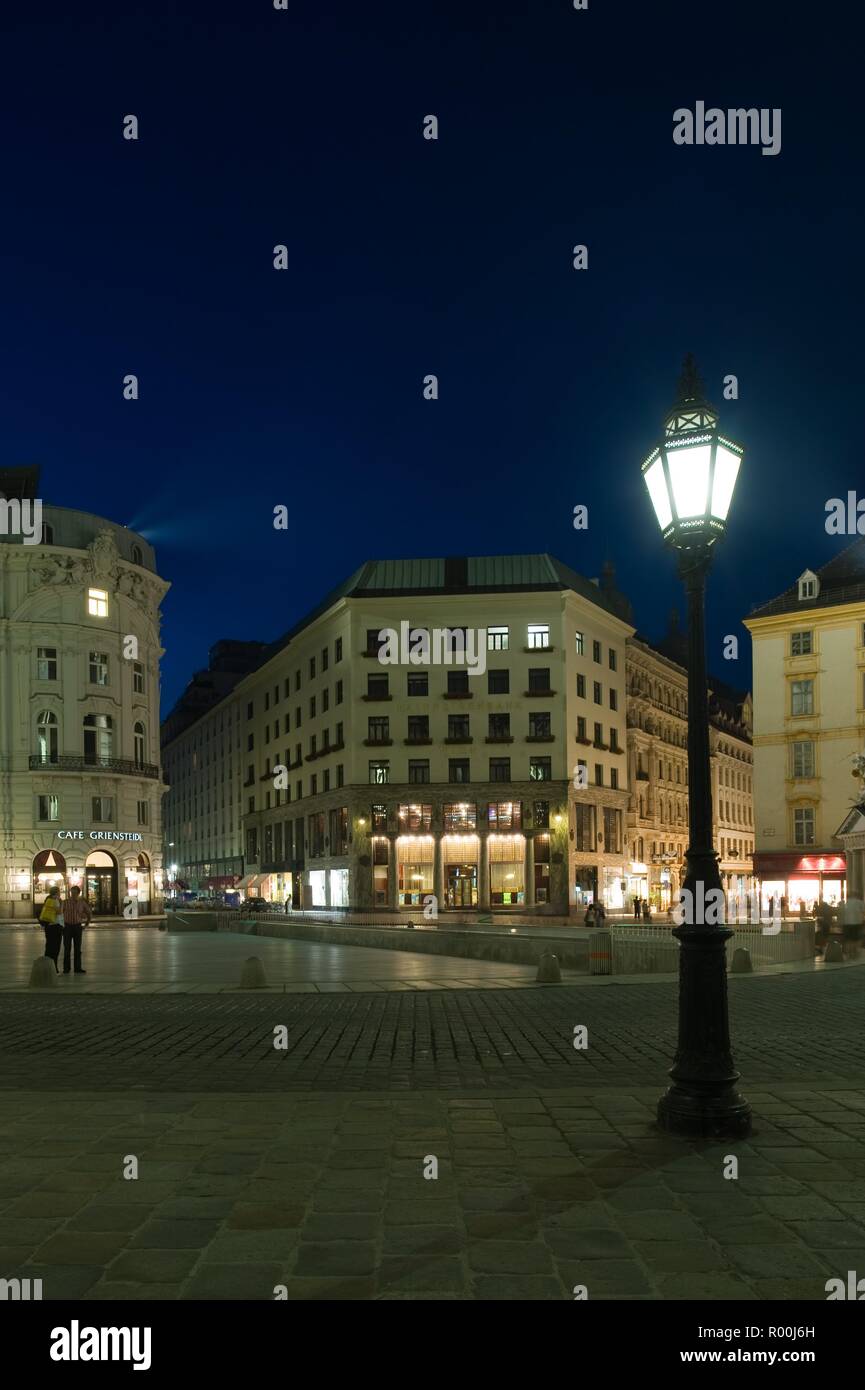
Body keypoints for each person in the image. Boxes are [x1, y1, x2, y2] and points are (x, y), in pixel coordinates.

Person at [62, 885, 92, 974]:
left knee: (77, 948)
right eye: (72, 892)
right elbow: (59, 914)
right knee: (67, 948)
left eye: (75, 893)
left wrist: (86, 924)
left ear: (78, 893)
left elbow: (89, 913)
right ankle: (66, 968)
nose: (73, 894)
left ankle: (77, 968)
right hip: (67, 926)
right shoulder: (65, 902)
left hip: (77, 927)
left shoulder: (82, 903)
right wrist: (61, 925)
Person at [39, 886, 63, 972]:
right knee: (55, 949)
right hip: (55, 926)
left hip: (48, 926)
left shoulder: (47, 899)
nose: (60, 893)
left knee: (49, 947)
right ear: (57, 892)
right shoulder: (56, 900)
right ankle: (53, 968)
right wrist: (61, 903)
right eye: (59, 891)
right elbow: (59, 912)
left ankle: (47, 967)